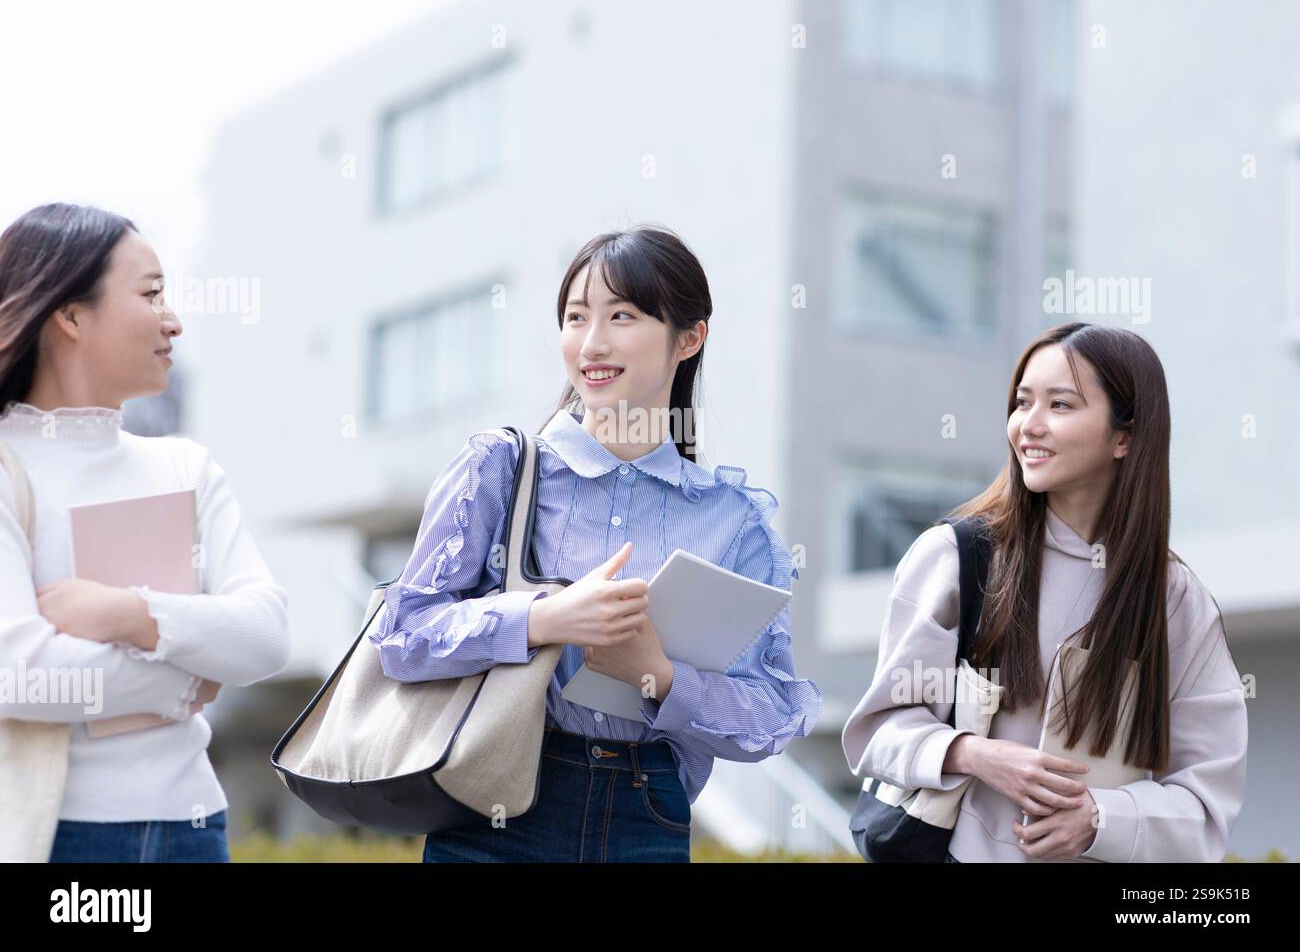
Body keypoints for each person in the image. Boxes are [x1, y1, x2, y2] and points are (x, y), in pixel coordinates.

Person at [372, 225, 822, 862]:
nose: (592, 343)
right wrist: (541, 618)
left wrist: (658, 676)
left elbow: (772, 714)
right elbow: (400, 635)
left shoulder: (733, 520)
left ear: (689, 338)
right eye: (576, 317)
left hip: (646, 815)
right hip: (497, 798)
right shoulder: (500, 470)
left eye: (622, 316)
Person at [842, 322, 1247, 862]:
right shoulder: (958, 557)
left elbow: (1206, 800)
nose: (1028, 425)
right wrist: (975, 754)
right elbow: (877, 730)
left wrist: (1101, 818)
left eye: (1060, 405)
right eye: (1021, 402)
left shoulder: (1176, 600)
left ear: (1124, 437)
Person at [0, 203, 291, 862]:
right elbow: (20, 673)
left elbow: (266, 634)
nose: (174, 320)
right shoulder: (7, 468)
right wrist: (184, 682)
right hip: (54, 837)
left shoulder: (184, 466)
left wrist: (132, 614)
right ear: (71, 315)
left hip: (194, 830)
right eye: (151, 294)